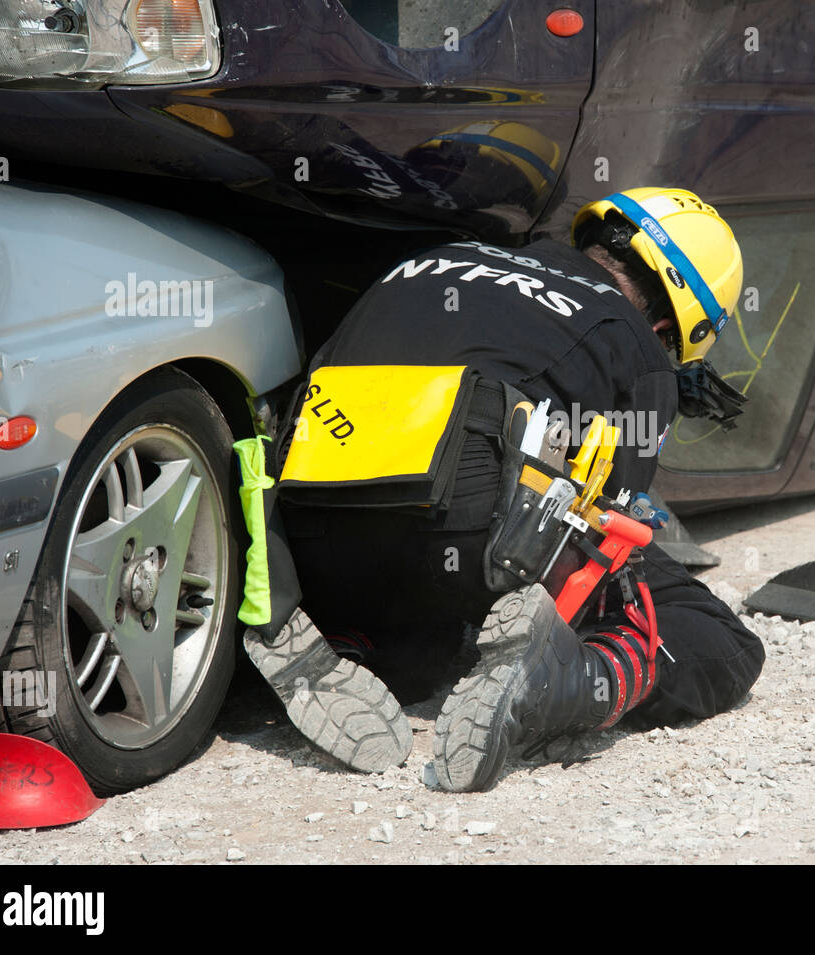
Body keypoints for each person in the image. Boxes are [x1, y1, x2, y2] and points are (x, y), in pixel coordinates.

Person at [242, 187, 765, 792]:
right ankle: (565, 682)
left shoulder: (424, 262)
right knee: (722, 641)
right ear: (672, 321)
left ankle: (341, 640)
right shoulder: (637, 342)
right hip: (461, 545)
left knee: (427, 635)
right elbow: (608, 523)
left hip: (309, 537)